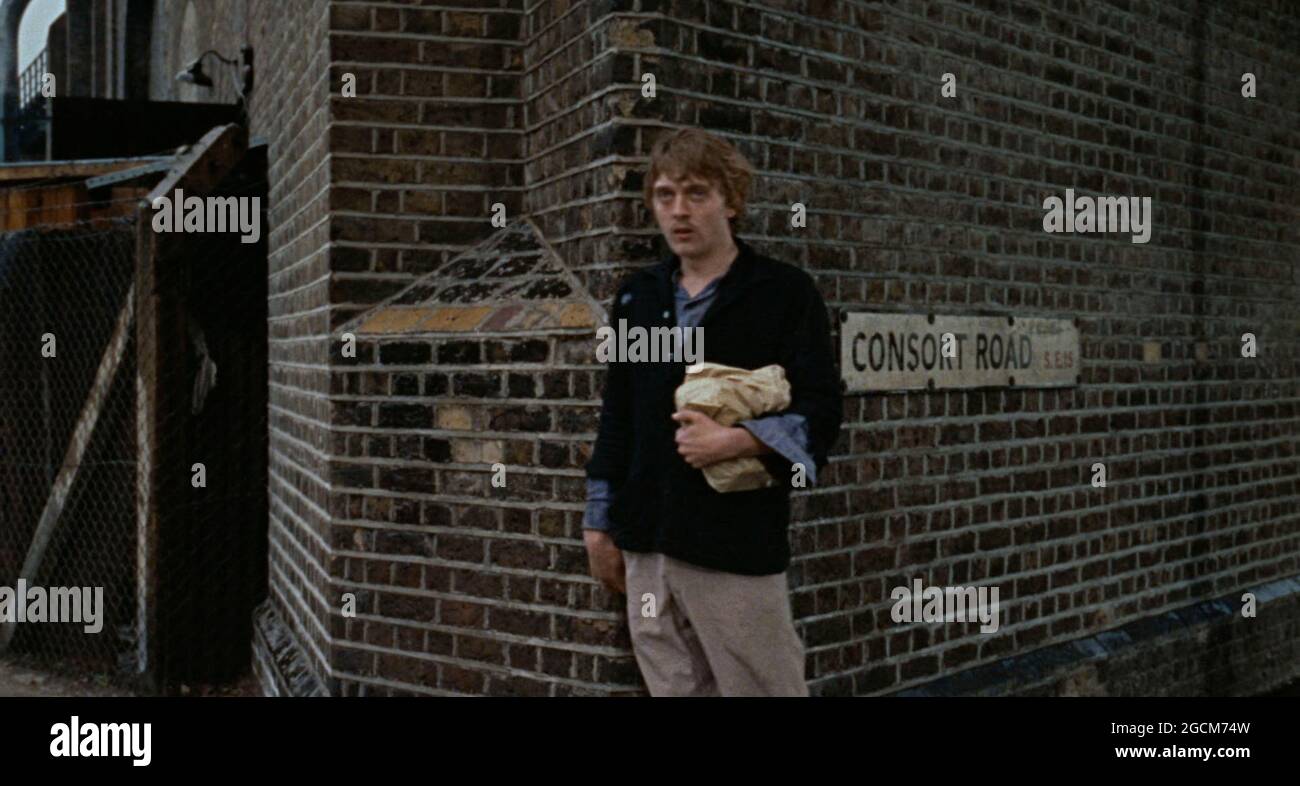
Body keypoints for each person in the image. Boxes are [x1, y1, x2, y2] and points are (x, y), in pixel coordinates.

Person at [583, 127, 842, 696]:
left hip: (733, 543)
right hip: (647, 540)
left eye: (697, 193)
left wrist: (741, 441)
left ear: (731, 199)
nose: (680, 211)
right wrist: (599, 521)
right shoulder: (638, 297)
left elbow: (822, 406)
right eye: (665, 195)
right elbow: (618, 415)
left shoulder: (782, 293)